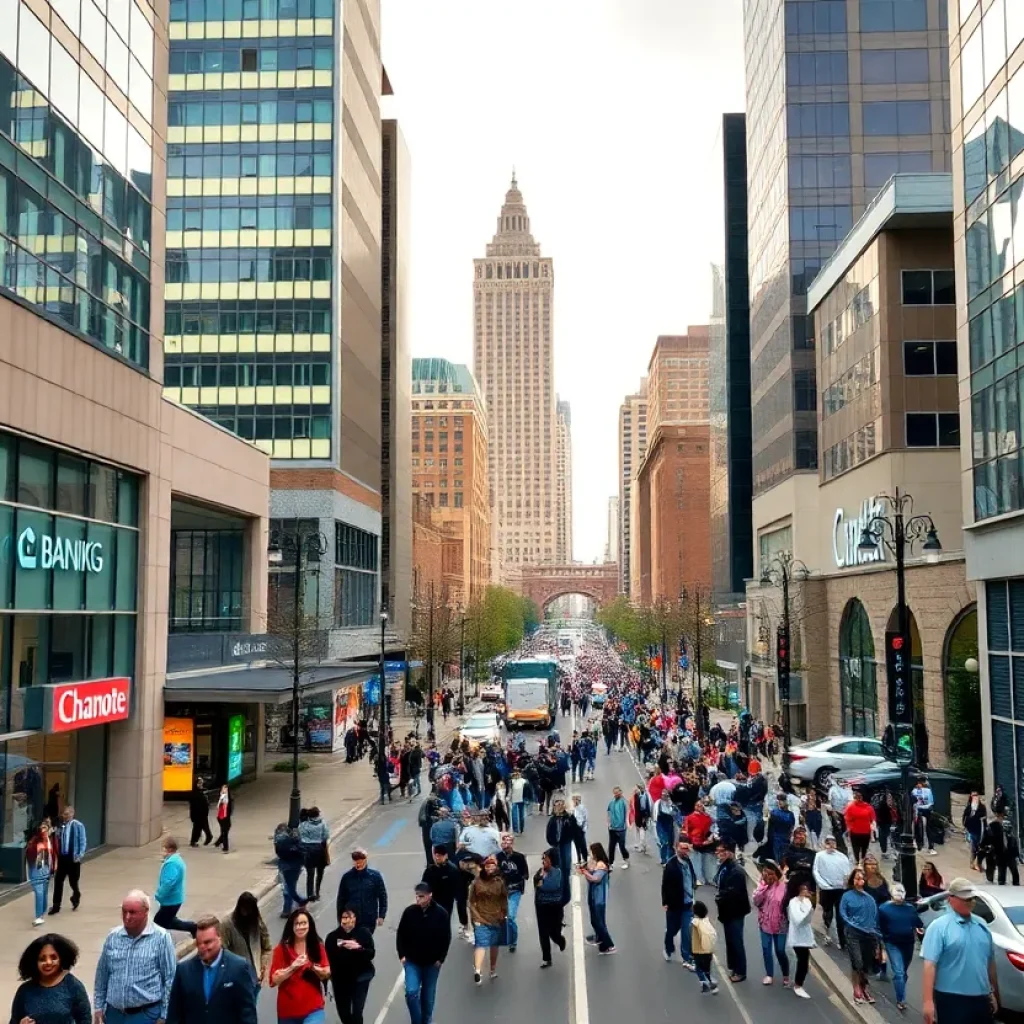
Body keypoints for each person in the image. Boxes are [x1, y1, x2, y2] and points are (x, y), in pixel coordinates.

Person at [921, 876, 999, 1024]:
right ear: (951, 899)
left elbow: (989, 963)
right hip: (951, 999)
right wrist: (928, 1002)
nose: (970, 903)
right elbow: (929, 966)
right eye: (966, 899)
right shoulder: (939, 927)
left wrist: (992, 993)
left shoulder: (981, 925)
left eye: (971, 899)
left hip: (981, 998)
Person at [93, 889, 177, 1024]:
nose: (127, 917)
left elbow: (170, 978)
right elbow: (102, 975)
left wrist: (164, 1015)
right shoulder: (113, 937)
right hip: (114, 1014)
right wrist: (98, 1007)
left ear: (146, 911)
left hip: (145, 1015)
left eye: (132, 912)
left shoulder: (161, 938)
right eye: (124, 912)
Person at [167, 914, 257, 1024]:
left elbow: (247, 1011)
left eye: (207, 942)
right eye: (199, 943)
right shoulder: (184, 970)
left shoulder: (238, 967)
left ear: (220, 938)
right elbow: (174, 1013)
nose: (202, 947)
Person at [396, 882, 451, 1024]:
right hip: (412, 962)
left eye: (421, 896)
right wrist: (402, 955)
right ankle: (417, 1021)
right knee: (411, 993)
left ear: (429, 896)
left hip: (432, 963)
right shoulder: (409, 912)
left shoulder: (441, 914)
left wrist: (441, 959)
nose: (418, 900)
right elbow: (401, 934)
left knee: (428, 999)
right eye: (417, 896)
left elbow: (446, 937)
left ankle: (426, 1020)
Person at [10, 933, 91, 1024]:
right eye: (42, 959)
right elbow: (14, 1020)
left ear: (61, 959)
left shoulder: (73, 986)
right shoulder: (25, 990)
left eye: (53, 958)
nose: (48, 962)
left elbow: (85, 1019)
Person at [270, 908, 331, 1024]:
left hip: (313, 1009)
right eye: (297, 924)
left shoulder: (317, 947)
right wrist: (293, 967)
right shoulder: (281, 950)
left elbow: (326, 973)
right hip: (288, 1012)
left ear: (310, 925)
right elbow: (274, 980)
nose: (300, 927)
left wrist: (312, 966)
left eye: (304, 923)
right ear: (291, 926)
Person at [879, 882, 925, 1014]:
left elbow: (917, 922)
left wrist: (919, 928)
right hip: (892, 943)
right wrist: (881, 946)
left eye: (901, 893)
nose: (899, 896)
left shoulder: (910, 908)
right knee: (899, 972)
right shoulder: (883, 909)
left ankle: (900, 986)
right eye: (897, 893)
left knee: (903, 972)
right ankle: (901, 999)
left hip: (908, 944)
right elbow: (880, 928)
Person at [325, 906, 375, 1024]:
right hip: (340, 980)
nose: (346, 921)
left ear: (355, 918)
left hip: (361, 977)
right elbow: (327, 960)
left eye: (350, 917)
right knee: (344, 1013)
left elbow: (371, 953)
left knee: (357, 1011)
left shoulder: (363, 933)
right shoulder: (332, 937)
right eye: (344, 917)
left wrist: (358, 948)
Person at [839, 866, 881, 1006]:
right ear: (853, 880)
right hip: (853, 934)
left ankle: (864, 987)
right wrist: (853, 924)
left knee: (866, 964)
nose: (860, 881)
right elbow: (843, 914)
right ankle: (857, 989)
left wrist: (876, 934)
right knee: (857, 962)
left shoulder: (869, 898)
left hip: (868, 934)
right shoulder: (847, 896)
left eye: (862, 878)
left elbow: (874, 917)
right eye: (857, 878)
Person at [220, 891, 272, 995]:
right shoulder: (227, 924)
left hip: (256, 976)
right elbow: (223, 951)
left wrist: (263, 967)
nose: (245, 913)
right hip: (238, 977)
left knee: (252, 1006)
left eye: (248, 910)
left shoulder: (257, 922)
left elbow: (267, 947)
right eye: (243, 909)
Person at [467, 855, 508, 983]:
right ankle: (478, 971)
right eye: (488, 866)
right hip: (480, 918)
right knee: (481, 944)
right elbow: (470, 901)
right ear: (484, 868)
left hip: (496, 918)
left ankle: (492, 969)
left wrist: (504, 913)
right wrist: (475, 917)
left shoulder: (499, 882)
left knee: (494, 945)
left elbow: (504, 898)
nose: (490, 869)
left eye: (492, 866)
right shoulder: (476, 882)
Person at [714, 840, 750, 983]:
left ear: (730, 852)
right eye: (718, 852)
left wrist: (720, 896)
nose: (719, 854)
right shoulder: (725, 866)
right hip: (727, 911)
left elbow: (732, 892)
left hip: (735, 911)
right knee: (730, 940)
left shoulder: (736, 871)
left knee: (736, 941)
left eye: (722, 852)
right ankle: (734, 966)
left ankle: (740, 971)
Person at [752, 861, 789, 986]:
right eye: (766, 873)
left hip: (780, 924)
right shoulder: (761, 886)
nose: (768, 877)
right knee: (766, 949)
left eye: (771, 874)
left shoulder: (784, 887)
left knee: (780, 950)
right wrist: (762, 889)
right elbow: (756, 902)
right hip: (765, 923)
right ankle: (769, 974)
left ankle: (786, 974)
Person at [661, 836, 696, 967]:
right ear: (676, 848)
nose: (685, 851)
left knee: (687, 930)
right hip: (674, 905)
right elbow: (665, 886)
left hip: (687, 903)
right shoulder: (671, 866)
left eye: (687, 848)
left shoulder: (688, 861)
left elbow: (691, 876)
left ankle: (687, 957)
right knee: (672, 929)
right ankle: (668, 947)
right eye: (683, 848)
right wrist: (665, 902)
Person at [336, 848, 388, 934]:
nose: (358, 864)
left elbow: (382, 896)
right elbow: (341, 900)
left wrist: (381, 915)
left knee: (365, 943)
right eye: (356, 861)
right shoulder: (346, 877)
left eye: (360, 861)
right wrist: (340, 919)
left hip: (369, 919)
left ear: (365, 860)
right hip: (351, 919)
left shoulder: (375, 877)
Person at [153, 836, 197, 937]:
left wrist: (159, 895)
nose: (161, 851)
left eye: (163, 848)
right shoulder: (176, 860)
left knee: (159, 922)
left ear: (169, 849)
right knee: (168, 919)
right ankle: (192, 927)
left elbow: (168, 883)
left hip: (170, 900)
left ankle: (193, 927)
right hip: (174, 898)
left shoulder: (171, 863)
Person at [813, 835, 851, 949]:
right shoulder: (819, 856)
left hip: (840, 890)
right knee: (827, 913)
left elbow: (847, 872)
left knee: (841, 916)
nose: (831, 845)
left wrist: (845, 884)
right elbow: (816, 871)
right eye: (828, 843)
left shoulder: (842, 857)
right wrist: (824, 885)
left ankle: (842, 940)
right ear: (825, 844)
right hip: (826, 891)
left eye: (833, 842)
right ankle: (827, 933)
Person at [49, 806, 86, 916]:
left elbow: (82, 841)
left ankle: (76, 895)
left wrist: (79, 855)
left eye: (67, 814)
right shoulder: (60, 825)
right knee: (58, 881)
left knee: (73, 881)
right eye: (64, 814)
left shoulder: (78, 825)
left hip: (73, 858)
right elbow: (55, 836)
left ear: (72, 814)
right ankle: (56, 905)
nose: (65, 816)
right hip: (62, 858)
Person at [580, 841, 615, 953]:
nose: (590, 854)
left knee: (599, 922)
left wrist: (585, 872)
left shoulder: (601, 865)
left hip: (599, 897)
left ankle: (609, 944)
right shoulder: (596, 864)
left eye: (591, 852)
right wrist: (587, 870)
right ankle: (600, 938)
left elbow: (596, 879)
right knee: (595, 920)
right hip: (593, 895)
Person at [495, 833, 528, 952]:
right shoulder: (497, 857)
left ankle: (513, 941)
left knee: (511, 917)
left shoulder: (519, 857)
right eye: (503, 841)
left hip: (515, 890)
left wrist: (515, 876)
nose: (505, 844)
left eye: (508, 841)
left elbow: (526, 874)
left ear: (512, 843)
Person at [534, 848, 566, 967]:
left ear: (551, 860)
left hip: (554, 906)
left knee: (553, 931)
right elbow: (536, 883)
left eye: (545, 858)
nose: (543, 861)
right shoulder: (540, 871)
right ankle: (546, 958)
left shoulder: (557, 872)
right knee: (543, 933)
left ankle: (559, 939)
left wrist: (541, 881)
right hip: (541, 905)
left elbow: (550, 886)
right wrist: (540, 880)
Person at [545, 799, 578, 905]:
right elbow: (549, 832)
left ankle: (566, 895)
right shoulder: (553, 819)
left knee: (566, 868)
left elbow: (574, 830)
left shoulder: (568, 817)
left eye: (561, 804)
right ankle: (559, 892)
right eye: (556, 805)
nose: (559, 806)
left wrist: (570, 837)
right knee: (559, 868)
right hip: (556, 845)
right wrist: (552, 842)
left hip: (566, 843)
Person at [787, 881, 815, 1000]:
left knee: (803, 960)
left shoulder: (807, 901)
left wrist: (811, 908)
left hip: (805, 936)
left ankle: (796, 982)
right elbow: (797, 920)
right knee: (802, 960)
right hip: (797, 937)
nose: (805, 891)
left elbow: (807, 919)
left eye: (806, 889)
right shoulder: (793, 902)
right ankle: (797, 985)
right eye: (803, 889)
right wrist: (808, 914)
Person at [274, 824, 309, 918]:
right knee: (289, 889)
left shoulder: (294, 840)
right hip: (285, 866)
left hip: (293, 867)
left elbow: (302, 851)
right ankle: (300, 901)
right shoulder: (280, 841)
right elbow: (279, 852)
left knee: (287, 889)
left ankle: (287, 909)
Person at [25, 822, 56, 926]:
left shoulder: (48, 840)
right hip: (37, 869)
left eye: (46, 828)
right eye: (42, 828)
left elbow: (52, 855)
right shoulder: (35, 841)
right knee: (39, 892)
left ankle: (41, 914)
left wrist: (52, 868)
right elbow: (30, 855)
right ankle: (39, 916)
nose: (44, 830)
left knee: (43, 892)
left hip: (45, 869)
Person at [299, 806, 330, 902]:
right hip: (319, 849)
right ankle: (317, 891)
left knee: (310, 873)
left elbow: (300, 836)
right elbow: (326, 836)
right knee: (320, 872)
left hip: (308, 850)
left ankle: (310, 894)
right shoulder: (323, 823)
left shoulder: (304, 825)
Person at [983, 808, 1020, 885]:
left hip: (1010, 856)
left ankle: (1016, 883)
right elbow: (994, 844)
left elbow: (1015, 847)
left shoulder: (1012, 837)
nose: (1008, 829)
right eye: (1006, 827)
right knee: (1001, 871)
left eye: (1009, 827)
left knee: (1014, 871)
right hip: (1001, 856)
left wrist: (1017, 856)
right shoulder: (998, 835)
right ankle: (1001, 882)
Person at [685, 800, 716, 886]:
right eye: (697, 805)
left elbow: (713, 828)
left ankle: (707, 879)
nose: (699, 807)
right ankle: (699, 879)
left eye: (701, 805)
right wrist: (689, 842)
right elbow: (687, 831)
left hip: (706, 843)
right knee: (697, 862)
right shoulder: (690, 817)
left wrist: (710, 838)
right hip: (696, 843)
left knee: (706, 862)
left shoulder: (708, 817)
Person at [691, 901, 719, 994]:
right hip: (708, 951)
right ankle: (710, 982)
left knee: (699, 969)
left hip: (698, 951)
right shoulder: (706, 921)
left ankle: (706, 984)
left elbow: (691, 937)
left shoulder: (694, 924)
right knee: (707, 969)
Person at [844, 789, 877, 864]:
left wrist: (873, 830)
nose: (858, 798)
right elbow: (847, 818)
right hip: (854, 832)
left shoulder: (869, 807)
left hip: (866, 832)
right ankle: (857, 862)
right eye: (856, 796)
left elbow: (873, 819)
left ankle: (862, 862)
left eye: (860, 796)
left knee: (864, 849)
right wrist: (850, 828)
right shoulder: (850, 807)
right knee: (856, 849)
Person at [766, 793, 794, 866]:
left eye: (782, 800)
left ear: (786, 802)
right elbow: (770, 827)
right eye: (779, 800)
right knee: (777, 859)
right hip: (776, 839)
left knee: (784, 859)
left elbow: (791, 827)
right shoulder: (774, 812)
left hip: (785, 839)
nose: (780, 802)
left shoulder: (790, 814)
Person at [963, 792, 988, 872]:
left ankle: (978, 863)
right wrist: (966, 826)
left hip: (980, 829)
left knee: (980, 847)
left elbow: (984, 818)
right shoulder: (968, 807)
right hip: (971, 830)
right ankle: (973, 863)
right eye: (973, 796)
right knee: (974, 847)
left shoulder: (982, 807)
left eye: (976, 796)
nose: (975, 797)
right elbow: (965, 818)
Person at [913, 776, 937, 854]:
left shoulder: (928, 790)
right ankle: (918, 843)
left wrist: (928, 807)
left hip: (926, 810)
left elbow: (931, 802)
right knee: (917, 827)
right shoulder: (913, 791)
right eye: (918, 783)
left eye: (920, 783)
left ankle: (930, 847)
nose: (919, 785)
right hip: (917, 810)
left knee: (929, 828)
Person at [607, 786, 630, 868]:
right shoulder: (611, 802)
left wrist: (627, 824)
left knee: (621, 846)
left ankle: (626, 860)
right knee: (611, 846)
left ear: (620, 792)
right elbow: (609, 812)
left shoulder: (623, 802)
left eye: (617, 793)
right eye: (615, 793)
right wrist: (609, 823)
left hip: (621, 829)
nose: (616, 794)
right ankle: (610, 863)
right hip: (612, 828)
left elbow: (627, 814)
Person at [188, 779, 212, 847]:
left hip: (203, 814)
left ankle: (208, 836)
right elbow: (192, 806)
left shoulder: (201, 792)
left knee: (203, 826)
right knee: (198, 828)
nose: (200, 785)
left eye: (201, 783)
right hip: (197, 814)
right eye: (199, 783)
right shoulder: (194, 794)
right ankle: (194, 841)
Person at [630, 782, 651, 855]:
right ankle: (641, 844)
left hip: (642, 816)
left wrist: (645, 817)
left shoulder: (643, 796)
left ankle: (642, 844)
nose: (635, 789)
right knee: (638, 830)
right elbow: (632, 805)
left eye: (636, 788)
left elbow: (645, 808)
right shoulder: (636, 796)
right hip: (637, 815)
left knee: (642, 830)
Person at [213, 784, 233, 853]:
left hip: (226, 817)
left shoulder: (229, 798)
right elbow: (218, 806)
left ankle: (219, 843)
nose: (224, 790)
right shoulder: (222, 797)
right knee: (224, 832)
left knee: (225, 831)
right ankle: (225, 847)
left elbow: (230, 808)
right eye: (223, 789)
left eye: (226, 789)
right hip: (221, 817)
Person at [571, 794, 589, 864]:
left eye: (575, 800)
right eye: (574, 800)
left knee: (581, 845)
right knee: (577, 845)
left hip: (579, 829)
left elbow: (582, 820)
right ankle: (579, 859)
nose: (574, 801)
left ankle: (584, 859)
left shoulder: (580, 808)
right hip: (577, 829)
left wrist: (582, 828)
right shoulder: (576, 808)